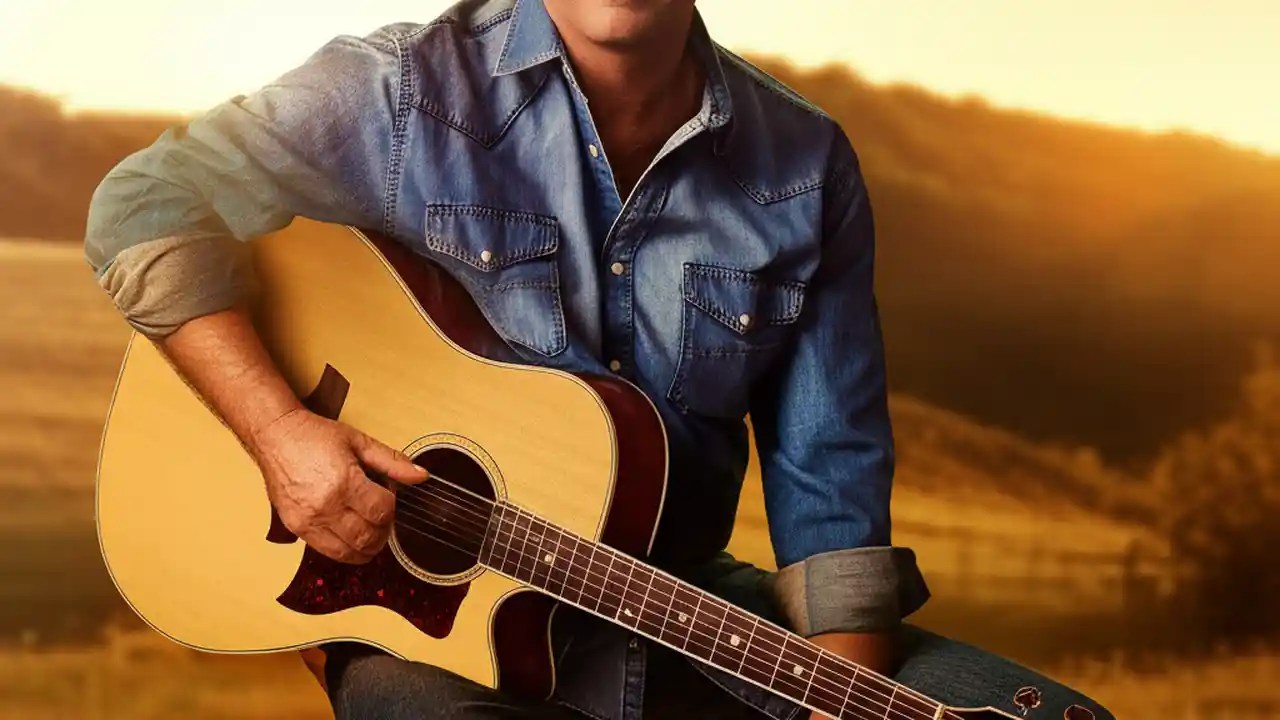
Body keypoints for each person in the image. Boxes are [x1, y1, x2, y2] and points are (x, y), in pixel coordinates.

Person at [84, 1, 1113, 718]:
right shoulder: (400, 92)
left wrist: (833, 697)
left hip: (667, 598)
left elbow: (830, 490)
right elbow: (142, 204)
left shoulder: (804, 166)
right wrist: (279, 431)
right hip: (433, 638)